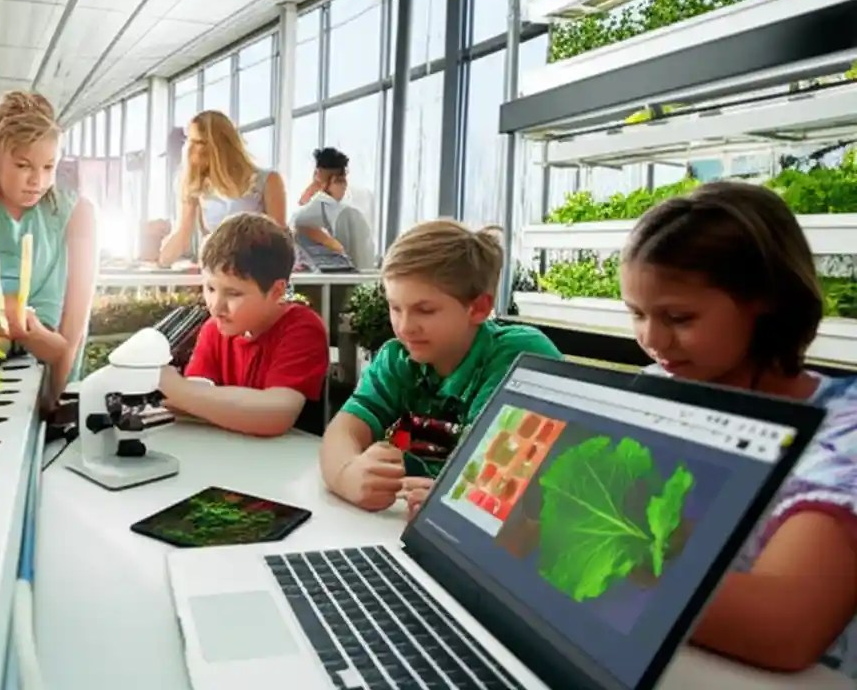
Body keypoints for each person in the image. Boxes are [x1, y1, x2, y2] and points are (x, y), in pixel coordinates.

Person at [615, 182, 856, 676]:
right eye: (637, 313)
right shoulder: (658, 388)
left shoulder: (843, 437)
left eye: (679, 317)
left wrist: (566, 549)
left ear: (766, 301)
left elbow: (782, 626)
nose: (652, 340)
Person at [319, 220, 561, 513]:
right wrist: (347, 475)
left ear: (479, 308)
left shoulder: (517, 358)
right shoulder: (398, 358)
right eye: (395, 307)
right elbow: (342, 431)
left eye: (425, 310)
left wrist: (454, 504)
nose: (405, 327)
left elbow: (507, 481)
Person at [0, 91, 96, 405]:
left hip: (47, 372)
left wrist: (56, 396)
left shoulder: (76, 213)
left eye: (49, 167)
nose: (37, 181)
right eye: (23, 165)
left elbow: (75, 323)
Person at [159, 213, 329, 437]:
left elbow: (277, 414)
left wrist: (175, 388)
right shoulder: (214, 328)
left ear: (276, 291)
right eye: (210, 288)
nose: (216, 306)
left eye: (233, 293)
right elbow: (196, 396)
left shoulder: (302, 328)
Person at [156, 110, 287, 267]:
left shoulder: (269, 181)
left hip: (256, 270)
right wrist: (159, 264)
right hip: (217, 270)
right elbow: (182, 235)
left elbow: (280, 243)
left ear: (219, 145)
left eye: (198, 142)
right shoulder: (195, 185)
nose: (189, 149)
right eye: (189, 140)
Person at [293, 147, 376, 268]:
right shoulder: (349, 215)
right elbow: (364, 263)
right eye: (343, 181)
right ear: (337, 180)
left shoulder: (296, 217)